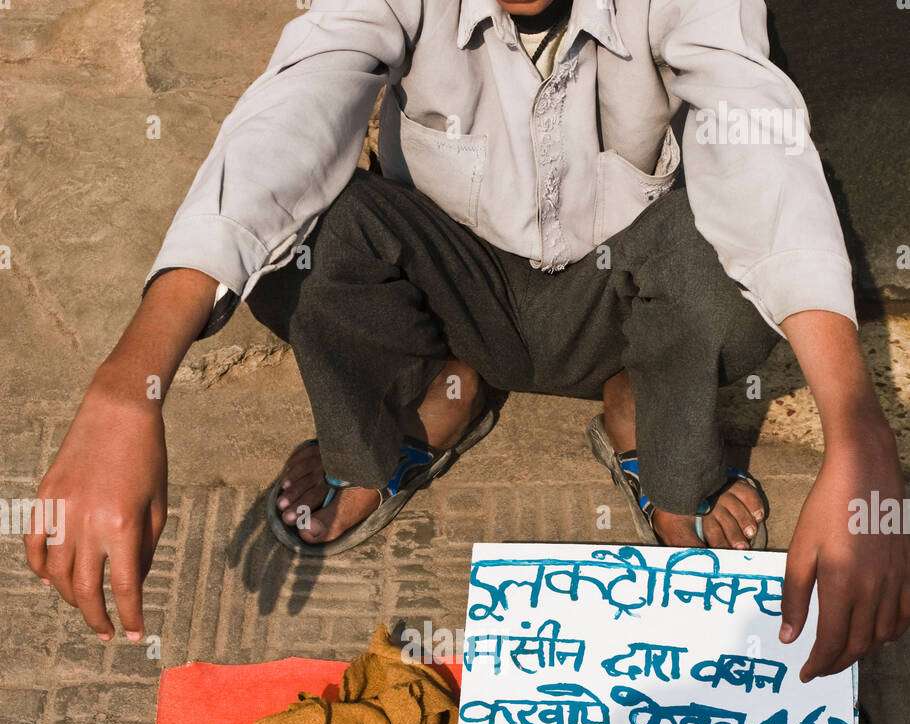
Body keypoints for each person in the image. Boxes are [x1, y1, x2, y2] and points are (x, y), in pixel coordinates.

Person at [25, 0, 909, 681]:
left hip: (622, 289)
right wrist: (130, 382)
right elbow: (290, 116)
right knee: (300, 241)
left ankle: (651, 416)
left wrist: (857, 432)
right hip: (460, 292)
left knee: (732, 271)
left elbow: (756, 141)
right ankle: (420, 404)